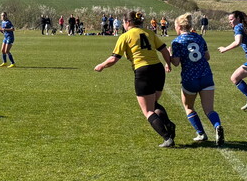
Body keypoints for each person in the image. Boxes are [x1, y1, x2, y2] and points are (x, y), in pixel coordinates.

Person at [94, 11, 177, 147]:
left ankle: (167, 138)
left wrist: (102, 65)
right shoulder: (149, 33)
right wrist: (168, 64)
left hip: (143, 71)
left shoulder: (125, 36)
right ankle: (168, 123)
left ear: (128, 22)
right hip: (157, 69)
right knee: (153, 103)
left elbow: (114, 58)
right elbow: (163, 49)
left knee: (148, 110)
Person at [170, 13, 224, 145]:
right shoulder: (199, 37)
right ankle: (217, 125)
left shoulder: (177, 41)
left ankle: (201, 133)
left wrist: (170, 53)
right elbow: (207, 57)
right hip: (206, 75)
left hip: (190, 78)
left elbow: (176, 63)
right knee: (209, 109)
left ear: (179, 26)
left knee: (188, 107)